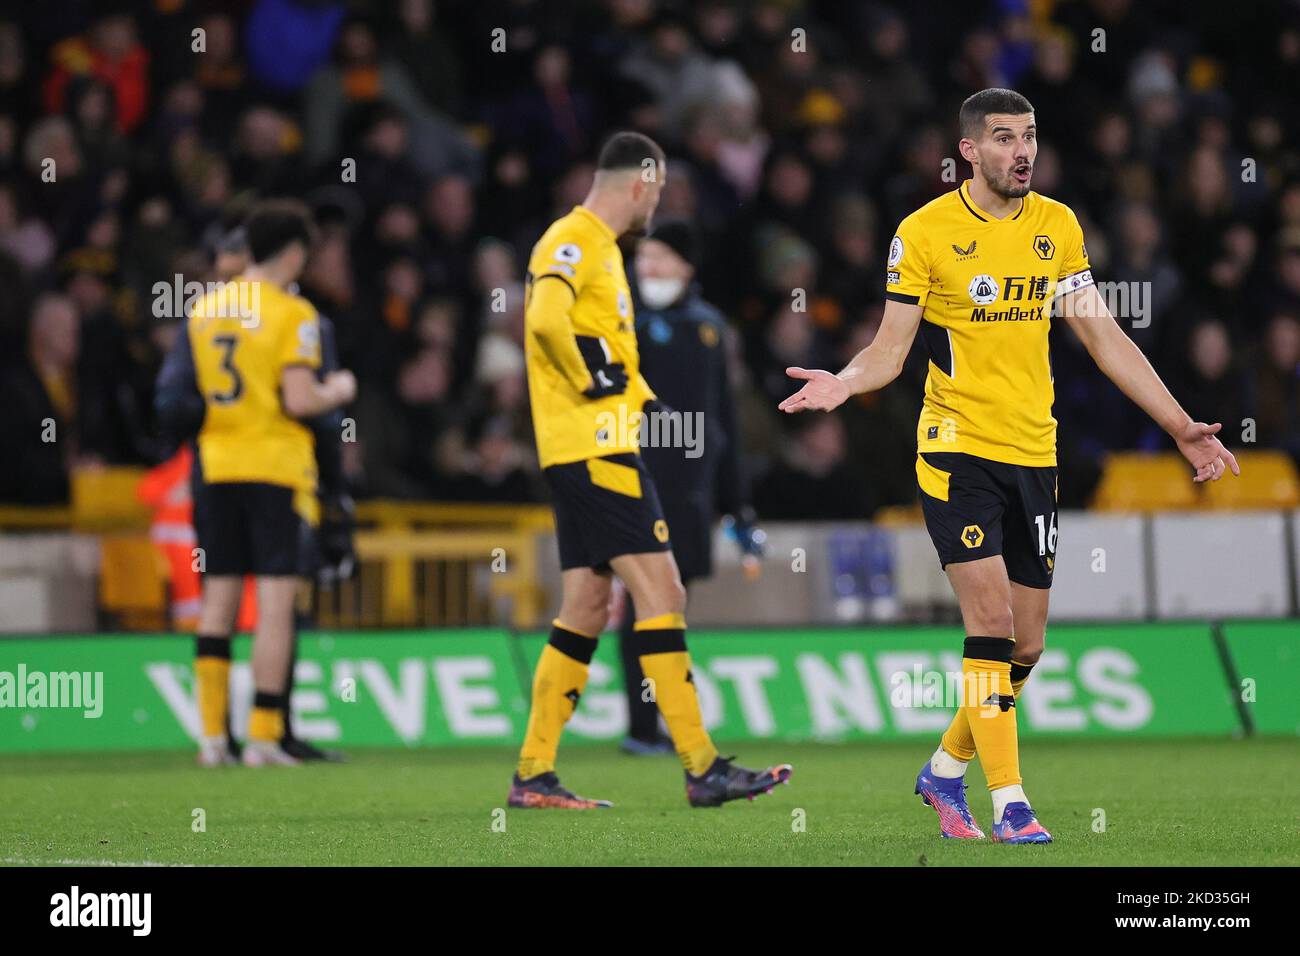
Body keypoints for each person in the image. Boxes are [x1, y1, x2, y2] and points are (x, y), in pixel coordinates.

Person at [779, 89, 1239, 843]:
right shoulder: (923, 233)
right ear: (969, 150)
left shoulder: (1056, 226)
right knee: (989, 623)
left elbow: (1104, 338)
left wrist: (1181, 424)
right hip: (956, 450)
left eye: (1028, 137)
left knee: (1024, 645)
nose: (1021, 151)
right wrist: (845, 380)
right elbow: (891, 350)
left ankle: (944, 770)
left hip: (1035, 453)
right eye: (1003, 139)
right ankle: (1012, 803)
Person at [510, 132, 791, 808]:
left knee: (586, 605)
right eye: (658, 191)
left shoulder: (599, 250)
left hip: (585, 447)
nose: (656, 205)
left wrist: (627, 389)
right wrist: (593, 377)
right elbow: (545, 317)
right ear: (640, 183)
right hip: (594, 449)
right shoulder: (575, 239)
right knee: (663, 593)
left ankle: (533, 776)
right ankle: (701, 766)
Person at [186, 200, 356, 767]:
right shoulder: (294, 313)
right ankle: (262, 734)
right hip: (275, 466)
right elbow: (300, 398)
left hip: (216, 463)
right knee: (276, 603)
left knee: (219, 601)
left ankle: (212, 738)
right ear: (294, 253)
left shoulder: (205, 309)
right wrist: (341, 390)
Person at [615, 219, 764, 755]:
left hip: (690, 494)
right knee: (640, 604)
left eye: (659, 257)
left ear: (687, 266)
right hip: (633, 482)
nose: (647, 267)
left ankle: (656, 722)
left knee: (670, 606)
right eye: (643, 257)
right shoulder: (620, 319)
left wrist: (737, 503)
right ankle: (639, 724)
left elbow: (721, 420)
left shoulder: (708, 327)